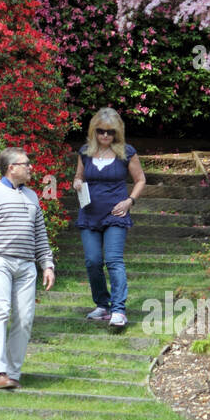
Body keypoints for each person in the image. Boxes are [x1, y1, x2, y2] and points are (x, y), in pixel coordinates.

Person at [0, 147, 56, 389]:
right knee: (0, 310)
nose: (30, 167)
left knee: (25, 318)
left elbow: (40, 235)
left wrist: (47, 264)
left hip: (27, 265)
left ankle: (13, 374)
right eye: (25, 163)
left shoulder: (33, 197)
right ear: (11, 168)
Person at [72, 108, 146, 331]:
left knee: (113, 260)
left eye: (110, 132)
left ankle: (118, 309)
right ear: (94, 131)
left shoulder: (127, 153)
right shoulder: (85, 152)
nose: (105, 136)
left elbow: (140, 179)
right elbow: (79, 176)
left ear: (117, 133)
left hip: (116, 214)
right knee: (93, 261)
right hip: (89, 214)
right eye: (101, 131)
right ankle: (102, 304)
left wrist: (129, 201)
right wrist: (76, 182)